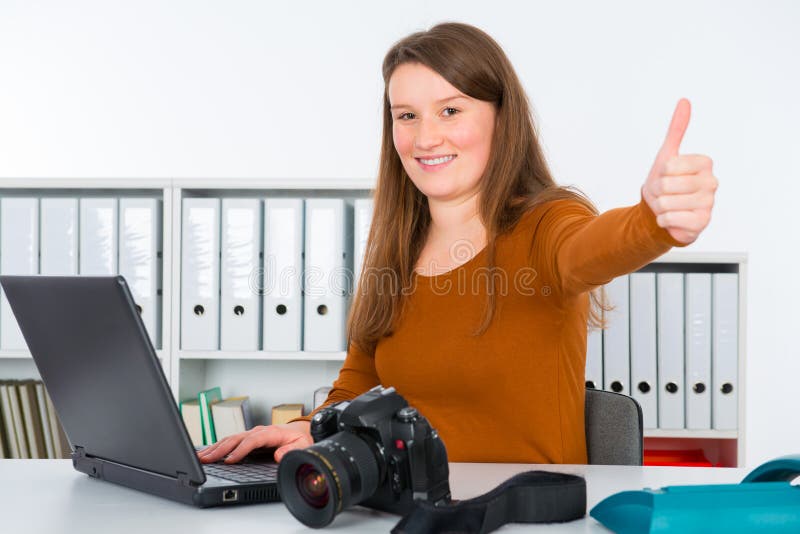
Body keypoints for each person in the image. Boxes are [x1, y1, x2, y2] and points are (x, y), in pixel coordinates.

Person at [198, 22, 717, 466]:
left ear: (500, 116)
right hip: (415, 512)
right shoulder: (396, 249)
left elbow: (592, 250)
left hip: (525, 514)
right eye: (407, 115)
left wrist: (655, 220)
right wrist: (312, 428)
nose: (425, 138)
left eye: (450, 111)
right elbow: (359, 383)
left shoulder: (547, 223)